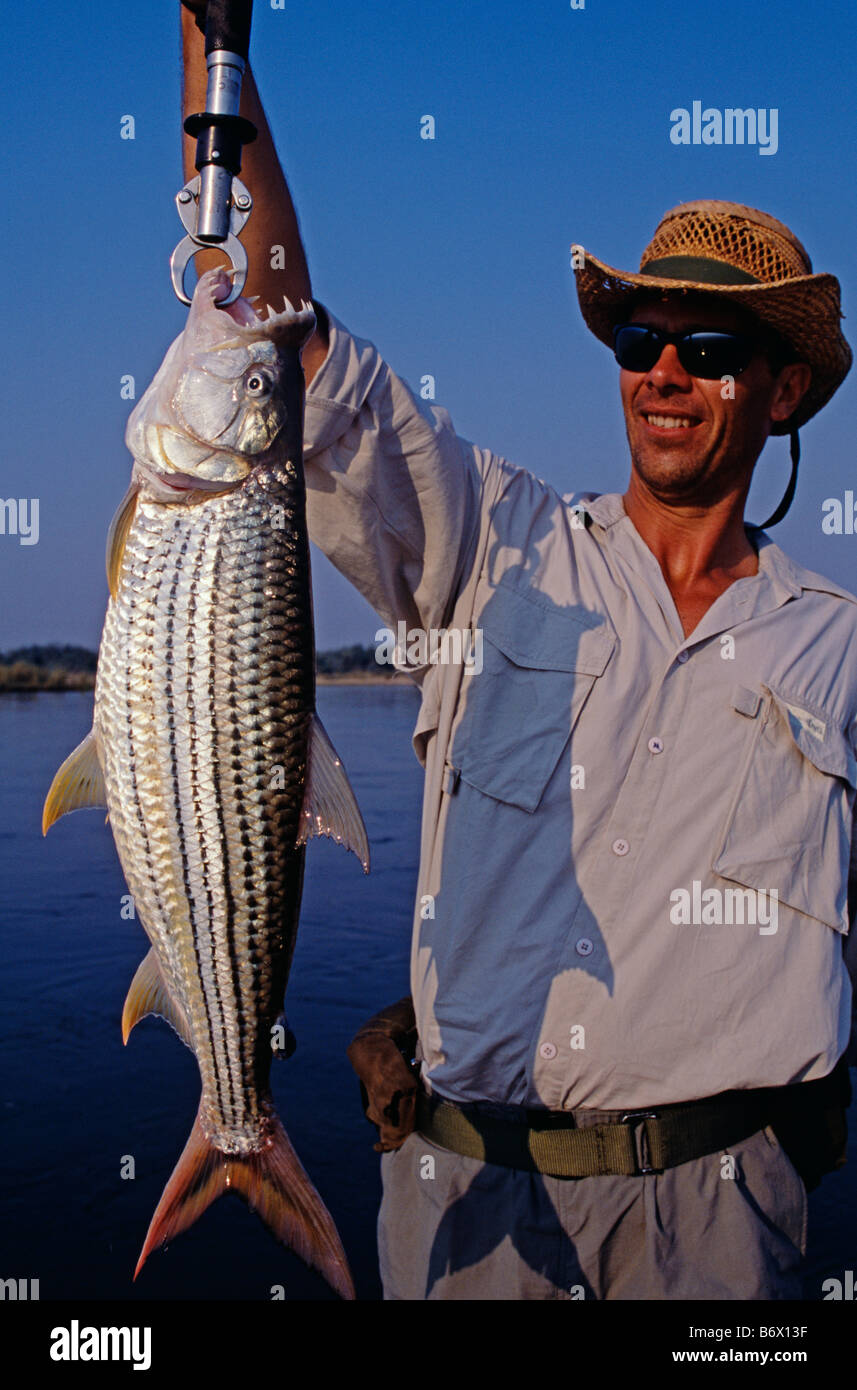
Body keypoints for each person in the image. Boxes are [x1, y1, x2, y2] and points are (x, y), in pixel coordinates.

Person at [181, 6, 856, 1300]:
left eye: (708, 348)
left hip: (722, 1221)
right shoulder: (493, 541)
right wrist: (218, 50)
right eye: (635, 339)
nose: (660, 370)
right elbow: (282, 337)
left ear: (779, 393)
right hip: (464, 1193)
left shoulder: (837, 644)